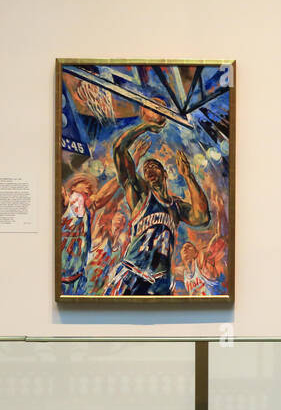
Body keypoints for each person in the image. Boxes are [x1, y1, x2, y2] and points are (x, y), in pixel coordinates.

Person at [103, 118, 210, 295]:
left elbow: (202, 217)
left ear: (165, 173)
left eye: (154, 166)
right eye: (146, 169)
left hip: (161, 280)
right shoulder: (141, 193)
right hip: (133, 270)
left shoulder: (176, 206)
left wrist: (188, 176)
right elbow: (119, 149)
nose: (149, 169)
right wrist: (146, 126)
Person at [59, 173, 118, 295]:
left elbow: (102, 195)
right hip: (59, 280)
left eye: (91, 188)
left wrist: (123, 175)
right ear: (73, 186)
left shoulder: (88, 210)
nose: (89, 188)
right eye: (85, 183)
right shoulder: (65, 202)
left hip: (78, 281)